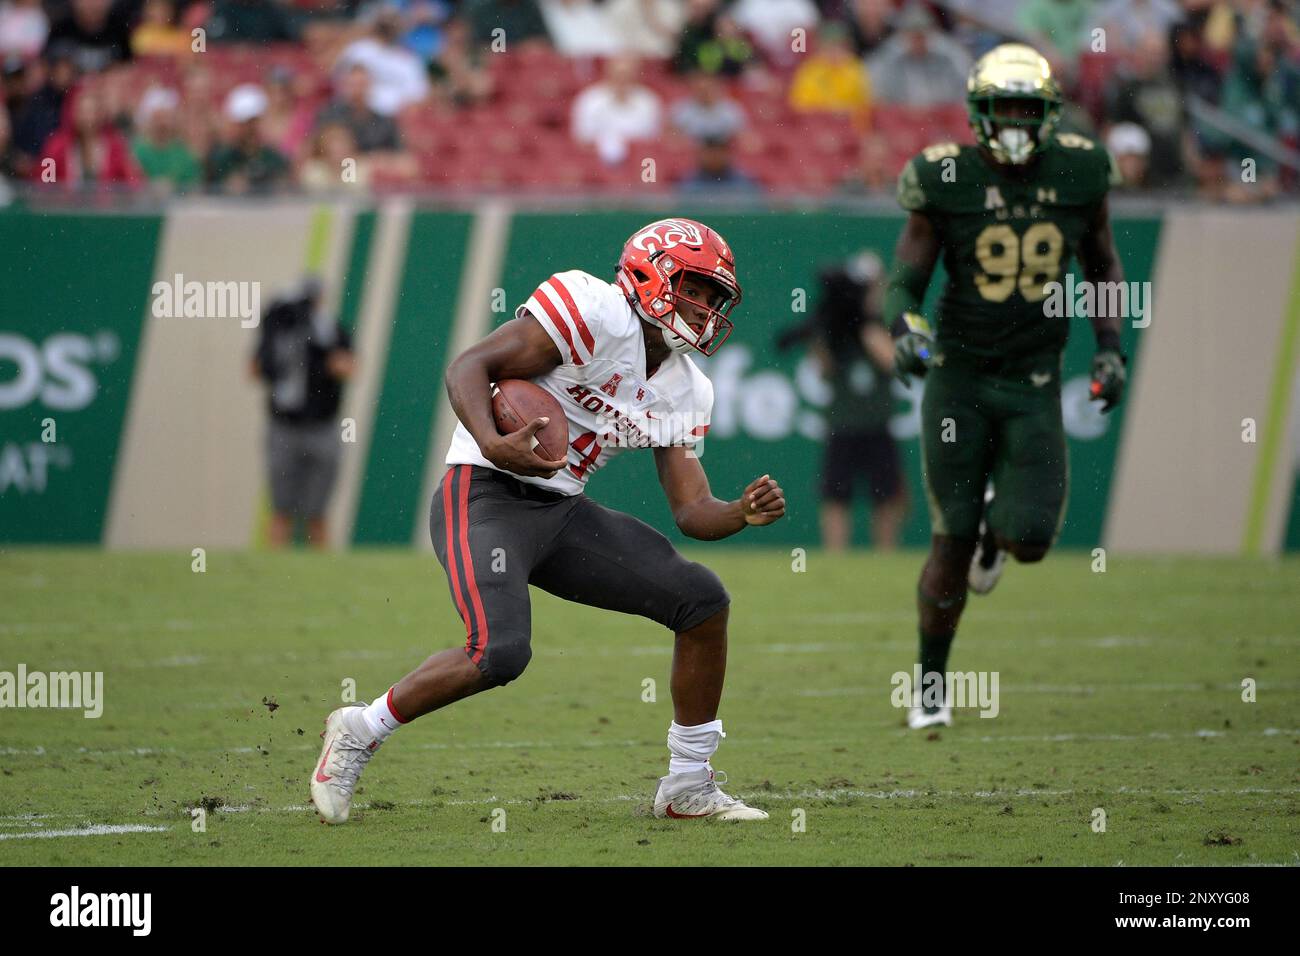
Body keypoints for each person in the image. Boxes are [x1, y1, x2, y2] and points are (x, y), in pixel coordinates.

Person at [310, 218, 786, 824]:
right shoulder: (594, 311)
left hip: (560, 512)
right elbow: (469, 364)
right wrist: (492, 439)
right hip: (482, 492)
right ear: (649, 275)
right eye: (696, 289)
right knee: (499, 652)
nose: (707, 308)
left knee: (702, 601)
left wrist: (739, 514)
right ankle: (360, 728)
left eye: (716, 299)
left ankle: (687, 783)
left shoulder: (686, 388)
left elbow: (692, 509)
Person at [885, 44, 1127, 729]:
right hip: (958, 379)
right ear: (978, 115)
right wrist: (906, 326)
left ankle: (1000, 534)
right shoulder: (945, 177)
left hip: (1035, 380)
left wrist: (1110, 348)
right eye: (1004, 109)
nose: (1017, 122)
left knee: (1030, 540)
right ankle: (930, 689)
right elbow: (905, 280)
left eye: (1029, 109)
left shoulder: (1082, 169)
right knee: (949, 537)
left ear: (1049, 114)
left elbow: (1104, 265)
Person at [779, 250, 907, 550]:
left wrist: (868, 327)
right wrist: (821, 337)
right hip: (842, 423)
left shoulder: (883, 324)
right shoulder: (837, 327)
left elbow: (893, 362)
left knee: (887, 495)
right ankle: (836, 556)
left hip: (877, 422)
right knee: (836, 495)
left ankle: (886, 556)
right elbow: (824, 372)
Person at [251, 276, 355, 549]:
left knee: (317, 512)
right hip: (284, 426)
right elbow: (255, 369)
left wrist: (321, 354)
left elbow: (347, 367)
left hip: (322, 425)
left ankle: (319, 574)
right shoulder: (279, 330)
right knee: (280, 508)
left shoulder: (329, 330)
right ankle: (273, 571)